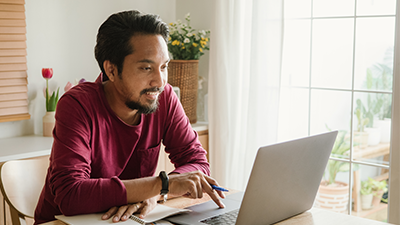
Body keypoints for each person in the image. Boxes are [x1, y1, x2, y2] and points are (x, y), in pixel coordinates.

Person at [34, 10, 225, 224]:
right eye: (146, 68)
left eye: (164, 67)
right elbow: (70, 195)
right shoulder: (77, 105)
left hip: (129, 220)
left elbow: (196, 162)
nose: (159, 81)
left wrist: (156, 193)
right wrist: (162, 184)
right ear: (112, 70)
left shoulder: (164, 97)